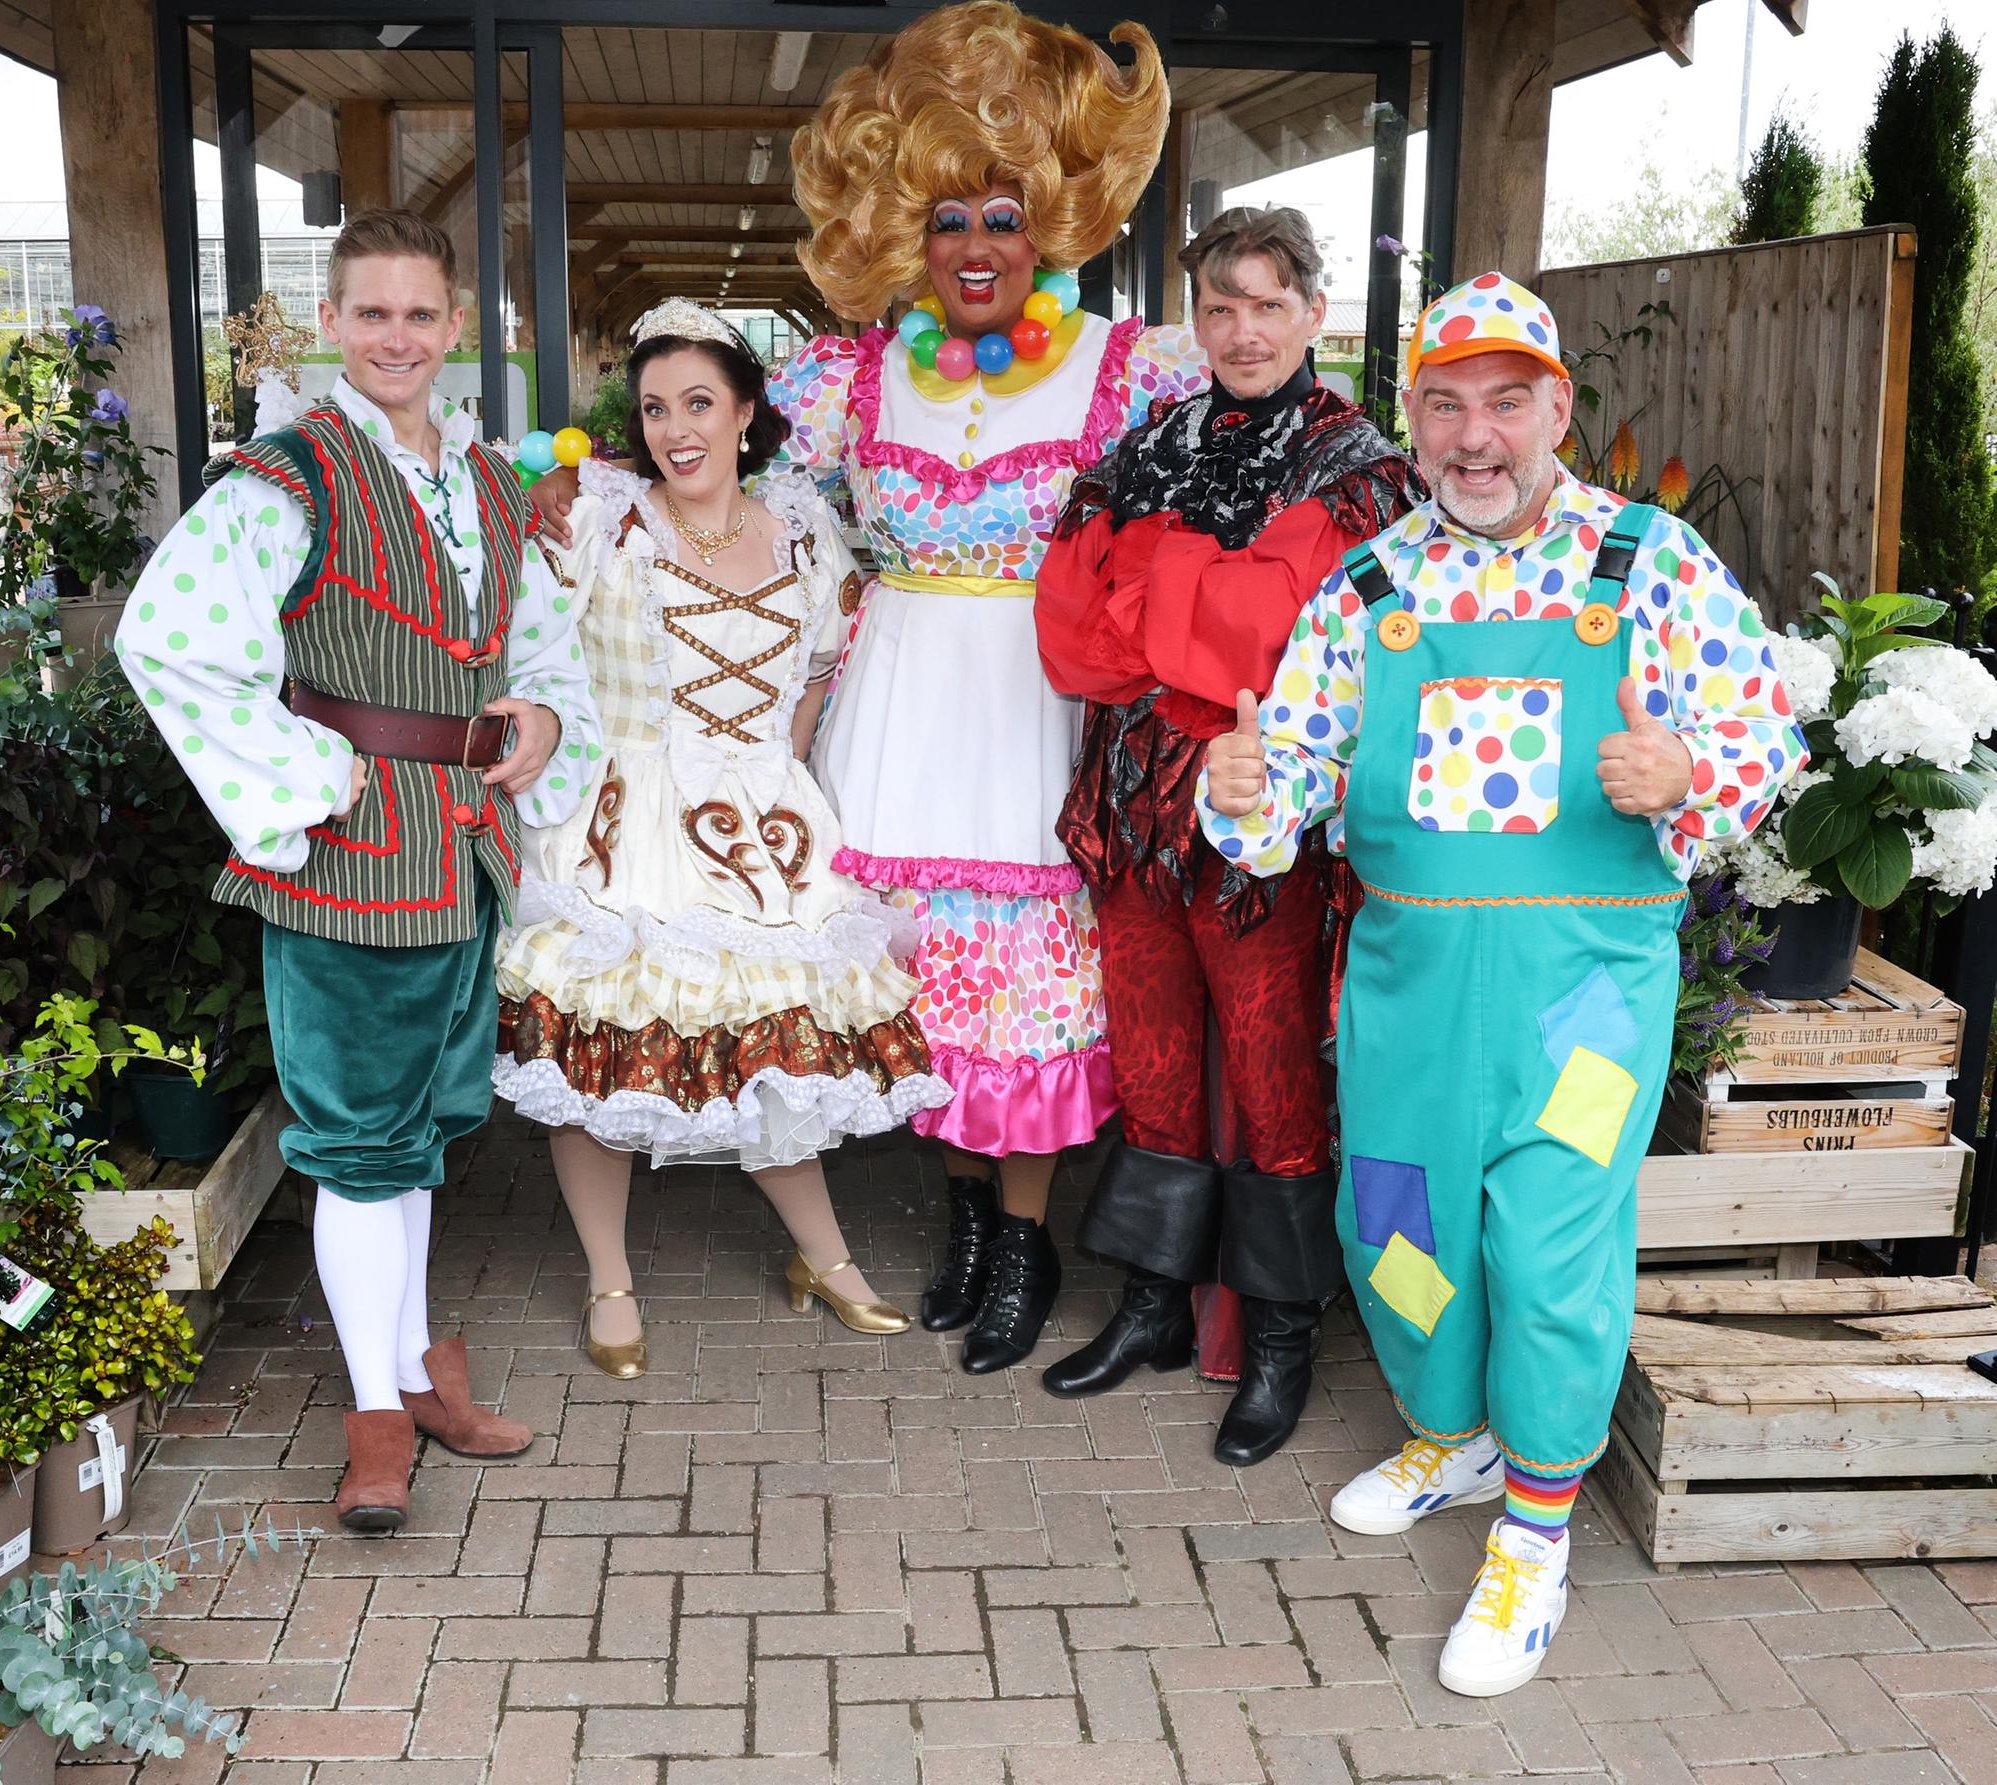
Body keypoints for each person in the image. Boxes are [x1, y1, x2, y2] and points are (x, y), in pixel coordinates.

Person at [535, 0, 1208, 1375]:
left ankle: (1024, 1240)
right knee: (927, 993)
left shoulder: (1129, 373)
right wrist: (583, 477)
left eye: (1004, 216)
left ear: (1055, 225)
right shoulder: (851, 375)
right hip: (895, 698)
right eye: (950, 218)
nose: (975, 247)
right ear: (909, 226)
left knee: (1026, 990)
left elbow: (1210, 511)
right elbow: (727, 479)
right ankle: (960, 1224)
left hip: (1029, 704)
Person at [1200, 271, 1805, 1695]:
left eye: (1507, 402)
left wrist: (1688, 772)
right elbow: (1281, 778)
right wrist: (1245, 785)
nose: (1478, 438)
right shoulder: (1368, 586)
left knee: (1548, 1249)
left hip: (1585, 995)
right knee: (1399, 1226)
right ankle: (1455, 1435)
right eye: (1448, 405)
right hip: (1407, 986)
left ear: (1559, 409)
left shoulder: (1648, 562)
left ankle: (1537, 1524)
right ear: (1413, 419)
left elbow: (1762, 739)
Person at [116, 208, 601, 1533]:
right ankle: (376, 1417)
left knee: (423, 1134)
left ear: (458, 332)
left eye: (420, 315)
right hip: (348, 854)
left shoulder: (495, 485)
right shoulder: (290, 477)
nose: (397, 337)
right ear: (333, 325)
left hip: (462, 848)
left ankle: (413, 1365)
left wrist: (544, 719)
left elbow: (543, 647)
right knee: (355, 1149)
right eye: (370, 313)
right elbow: (167, 639)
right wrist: (309, 777)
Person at [493, 299, 954, 1368]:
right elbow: (531, 657)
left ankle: (825, 1259)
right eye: (654, 408)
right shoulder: (595, 521)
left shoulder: (801, 525)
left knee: (770, 1055)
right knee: (597, 1055)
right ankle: (609, 1281)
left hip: (765, 823)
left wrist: (780, 783)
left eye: (698, 401)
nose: (674, 427)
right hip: (628, 821)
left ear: (746, 411)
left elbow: (820, 674)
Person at [1034, 206, 1421, 1465]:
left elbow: (1280, 646)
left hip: (1267, 820)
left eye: (1266, 304)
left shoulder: (1357, 467)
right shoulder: (1144, 445)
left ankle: (1275, 1338)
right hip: (1136, 806)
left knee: (1269, 1078)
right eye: (1218, 307)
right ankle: (1149, 1303)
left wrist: (1157, 577)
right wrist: (1205, 595)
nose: (1241, 330)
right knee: (1147, 1060)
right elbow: (1073, 642)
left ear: (1312, 315)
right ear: (1191, 321)